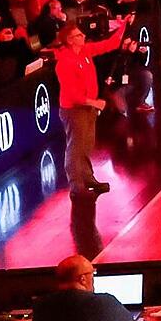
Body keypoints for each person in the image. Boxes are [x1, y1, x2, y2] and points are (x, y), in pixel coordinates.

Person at [46, 18, 127, 195]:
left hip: (88, 107)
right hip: (75, 110)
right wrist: (95, 102)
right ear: (70, 40)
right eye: (78, 35)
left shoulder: (84, 51)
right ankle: (76, 185)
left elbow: (110, 44)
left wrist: (124, 26)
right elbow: (73, 95)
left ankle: (88, 178)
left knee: (87, 145)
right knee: (76, 147)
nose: (83, 36)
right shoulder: (65, 63)